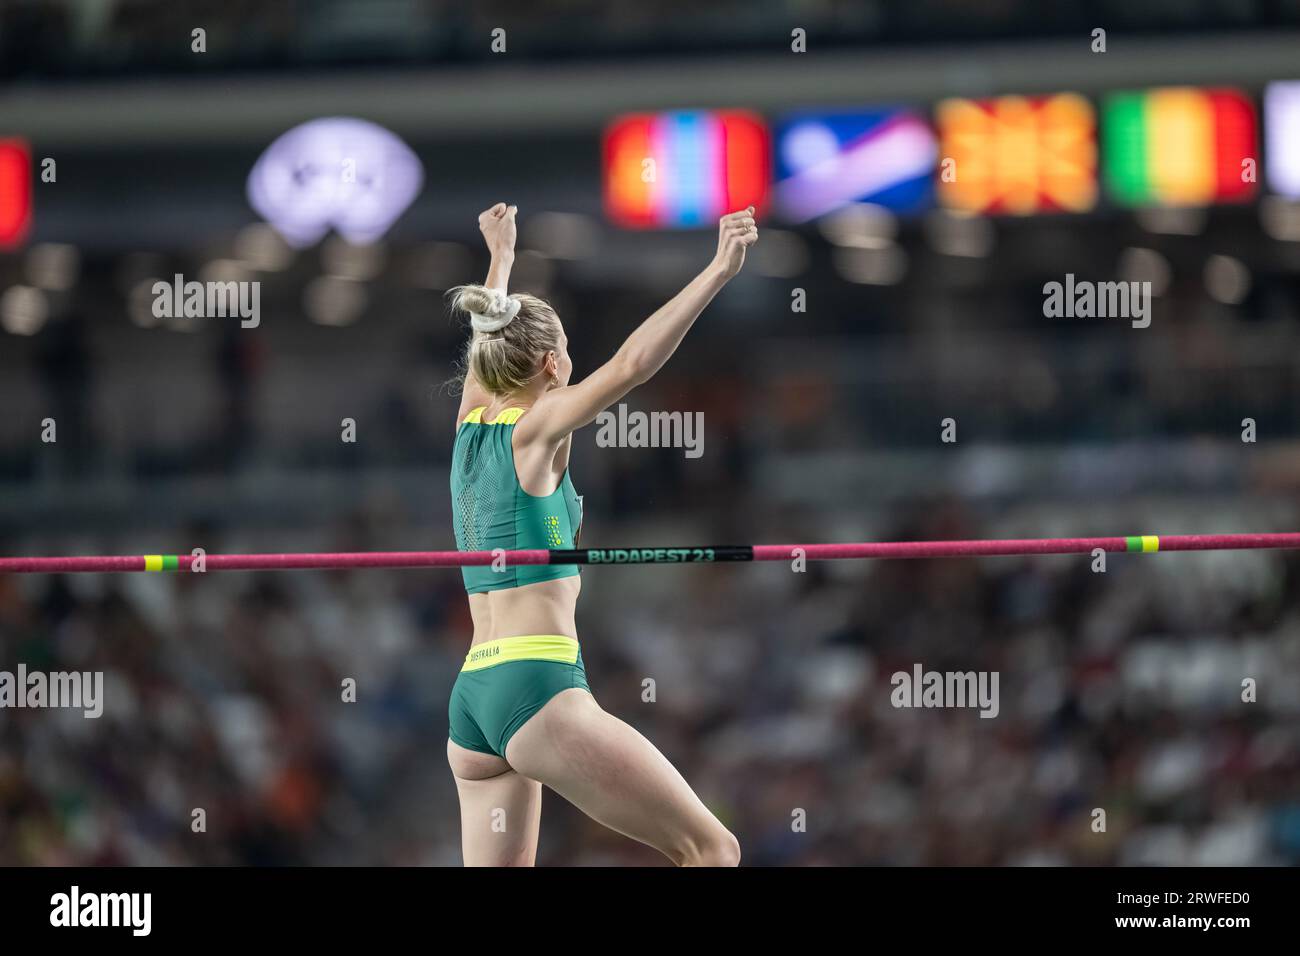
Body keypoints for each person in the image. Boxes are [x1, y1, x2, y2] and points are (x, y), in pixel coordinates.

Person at [446, 201, 757, 866]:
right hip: (538, 686)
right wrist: (716, 272)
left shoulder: (470, 427)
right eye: (565, 354)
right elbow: (630, 366)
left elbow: (486, 345)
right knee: (713, 850)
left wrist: (500, 260)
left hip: (475, 699)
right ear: (552, 367)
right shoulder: (538, 428)